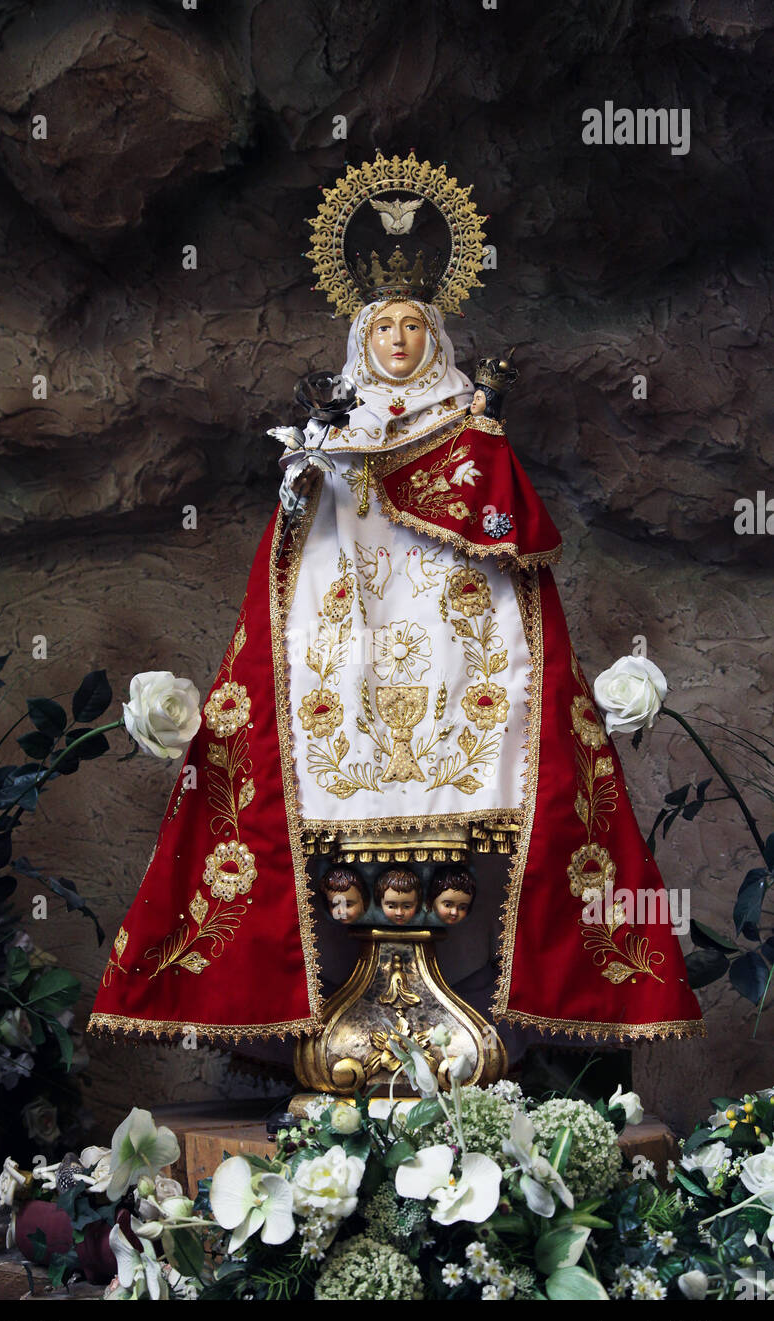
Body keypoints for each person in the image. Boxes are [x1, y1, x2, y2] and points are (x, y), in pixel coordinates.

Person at [89, 154, 703, 1049]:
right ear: (362, 338)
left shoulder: (470, 422)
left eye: (415, 327)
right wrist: (318, 469)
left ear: (435, 335)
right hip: (350, 634)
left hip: (457, 639)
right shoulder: (334, 427)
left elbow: (506, 527)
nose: (401, 343)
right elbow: (291, 541)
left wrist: (433, 464)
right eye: (386, 329)